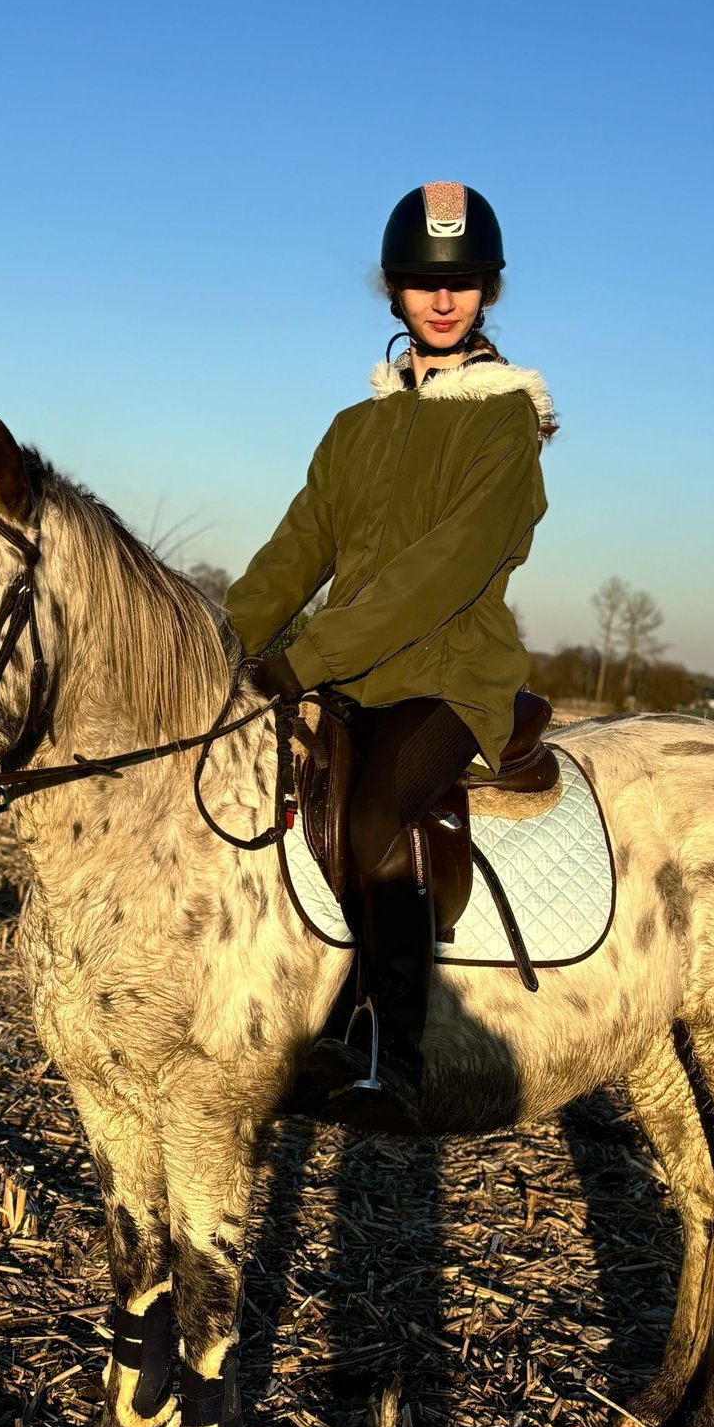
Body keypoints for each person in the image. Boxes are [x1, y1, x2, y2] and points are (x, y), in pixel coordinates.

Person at [223, 180, 555, 1131]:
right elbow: (296, 552)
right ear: (394, 293)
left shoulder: (502, 423)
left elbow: (439, 575)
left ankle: (387, 1049)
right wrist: (223, 647)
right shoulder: (354, 428)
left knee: (373, 812)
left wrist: (306, 654)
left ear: (485, 291)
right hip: (350, 676)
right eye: (419, 282)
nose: (440, 301)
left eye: (459, 284)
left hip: (449, 675)